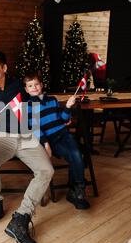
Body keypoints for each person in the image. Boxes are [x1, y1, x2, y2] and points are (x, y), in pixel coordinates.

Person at [0, 50, 54, 243]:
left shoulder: (20, 85)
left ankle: (21, 218)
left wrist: (44, 140)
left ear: (4, 68)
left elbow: (38, 105)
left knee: (47, 170)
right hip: (1, 137)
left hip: (26, 135)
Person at [24, 71, 90, 210]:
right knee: (76, 155)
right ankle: (77, 192)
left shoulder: (52, 100)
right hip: (51, 140)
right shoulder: (29, 105)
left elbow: (63, 119)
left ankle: (77, 190)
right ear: (26, 89)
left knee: (77, 154)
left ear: (41, 85)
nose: (34, 87)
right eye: (30, 86)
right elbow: (35, 129)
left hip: (64, 134)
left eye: (36, 84)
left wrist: (67, 107)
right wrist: (46, 144)